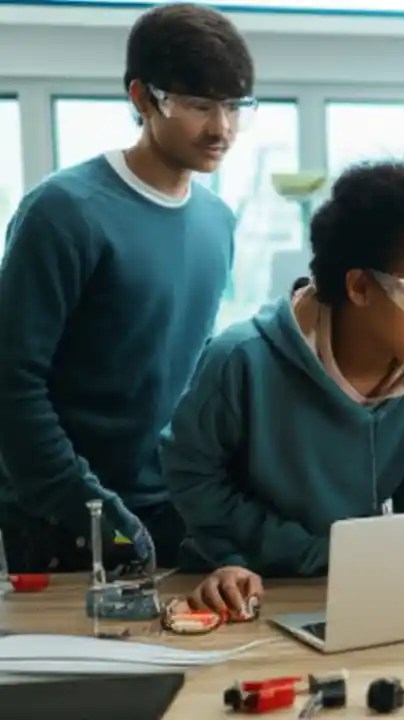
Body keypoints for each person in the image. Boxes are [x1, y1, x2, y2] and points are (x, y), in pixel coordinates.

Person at [0, 3, 254, 573]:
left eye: (235, 106)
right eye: (198, 105)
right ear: (141, 98)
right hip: (59, 520)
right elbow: (12, 387)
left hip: (166, 510)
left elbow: (189, 382)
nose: (222, 129)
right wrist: (91, 511)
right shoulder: (63, 213)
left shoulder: (217, 222)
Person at [161, 161, 404, 614]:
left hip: (350, 589)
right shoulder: (242, 359)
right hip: (241, 586)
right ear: (360, 287)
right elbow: (192, 476)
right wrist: (303, 552)